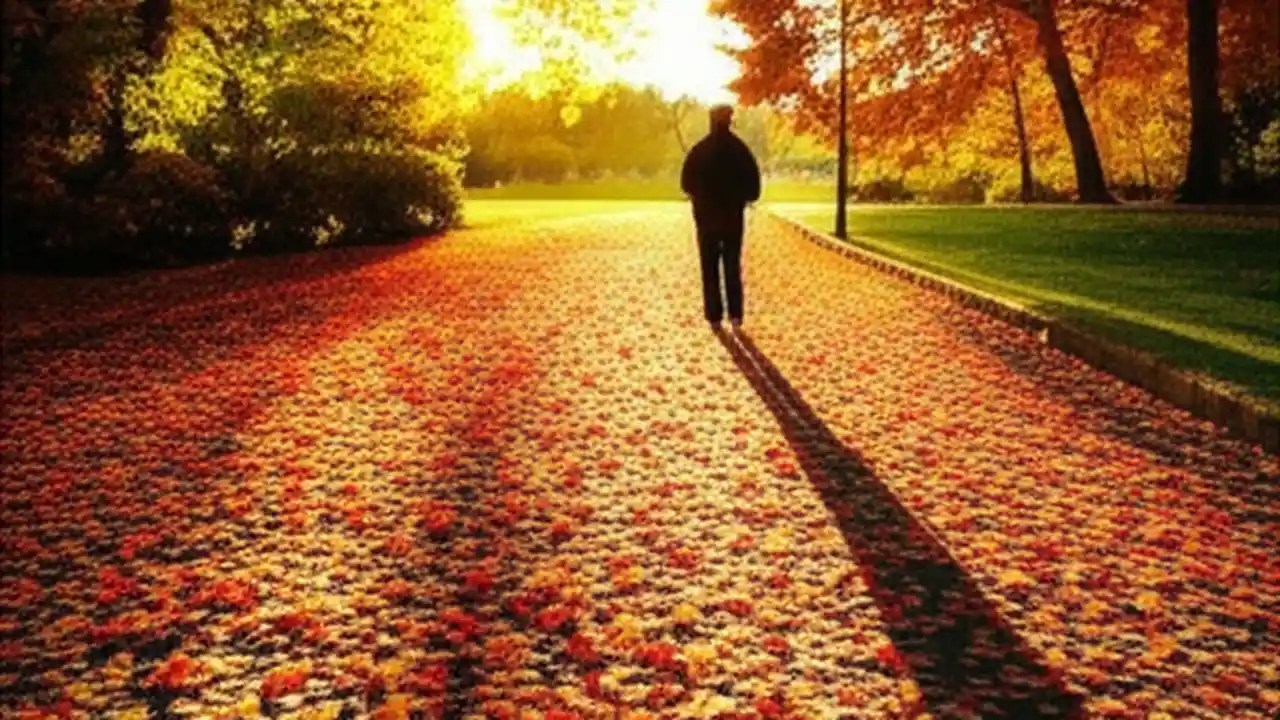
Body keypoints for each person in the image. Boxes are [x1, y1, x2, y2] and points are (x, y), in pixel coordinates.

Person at [680, 104, 761, 328]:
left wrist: (701, 197)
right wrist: (741, 198)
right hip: (732, 217)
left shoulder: (699, 151)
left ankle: (714, 314)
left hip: (706, 218)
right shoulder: (740, 150)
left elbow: (686, 183)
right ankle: (735, 314)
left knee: (709, 265)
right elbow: (754, 189)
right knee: (732, 264)